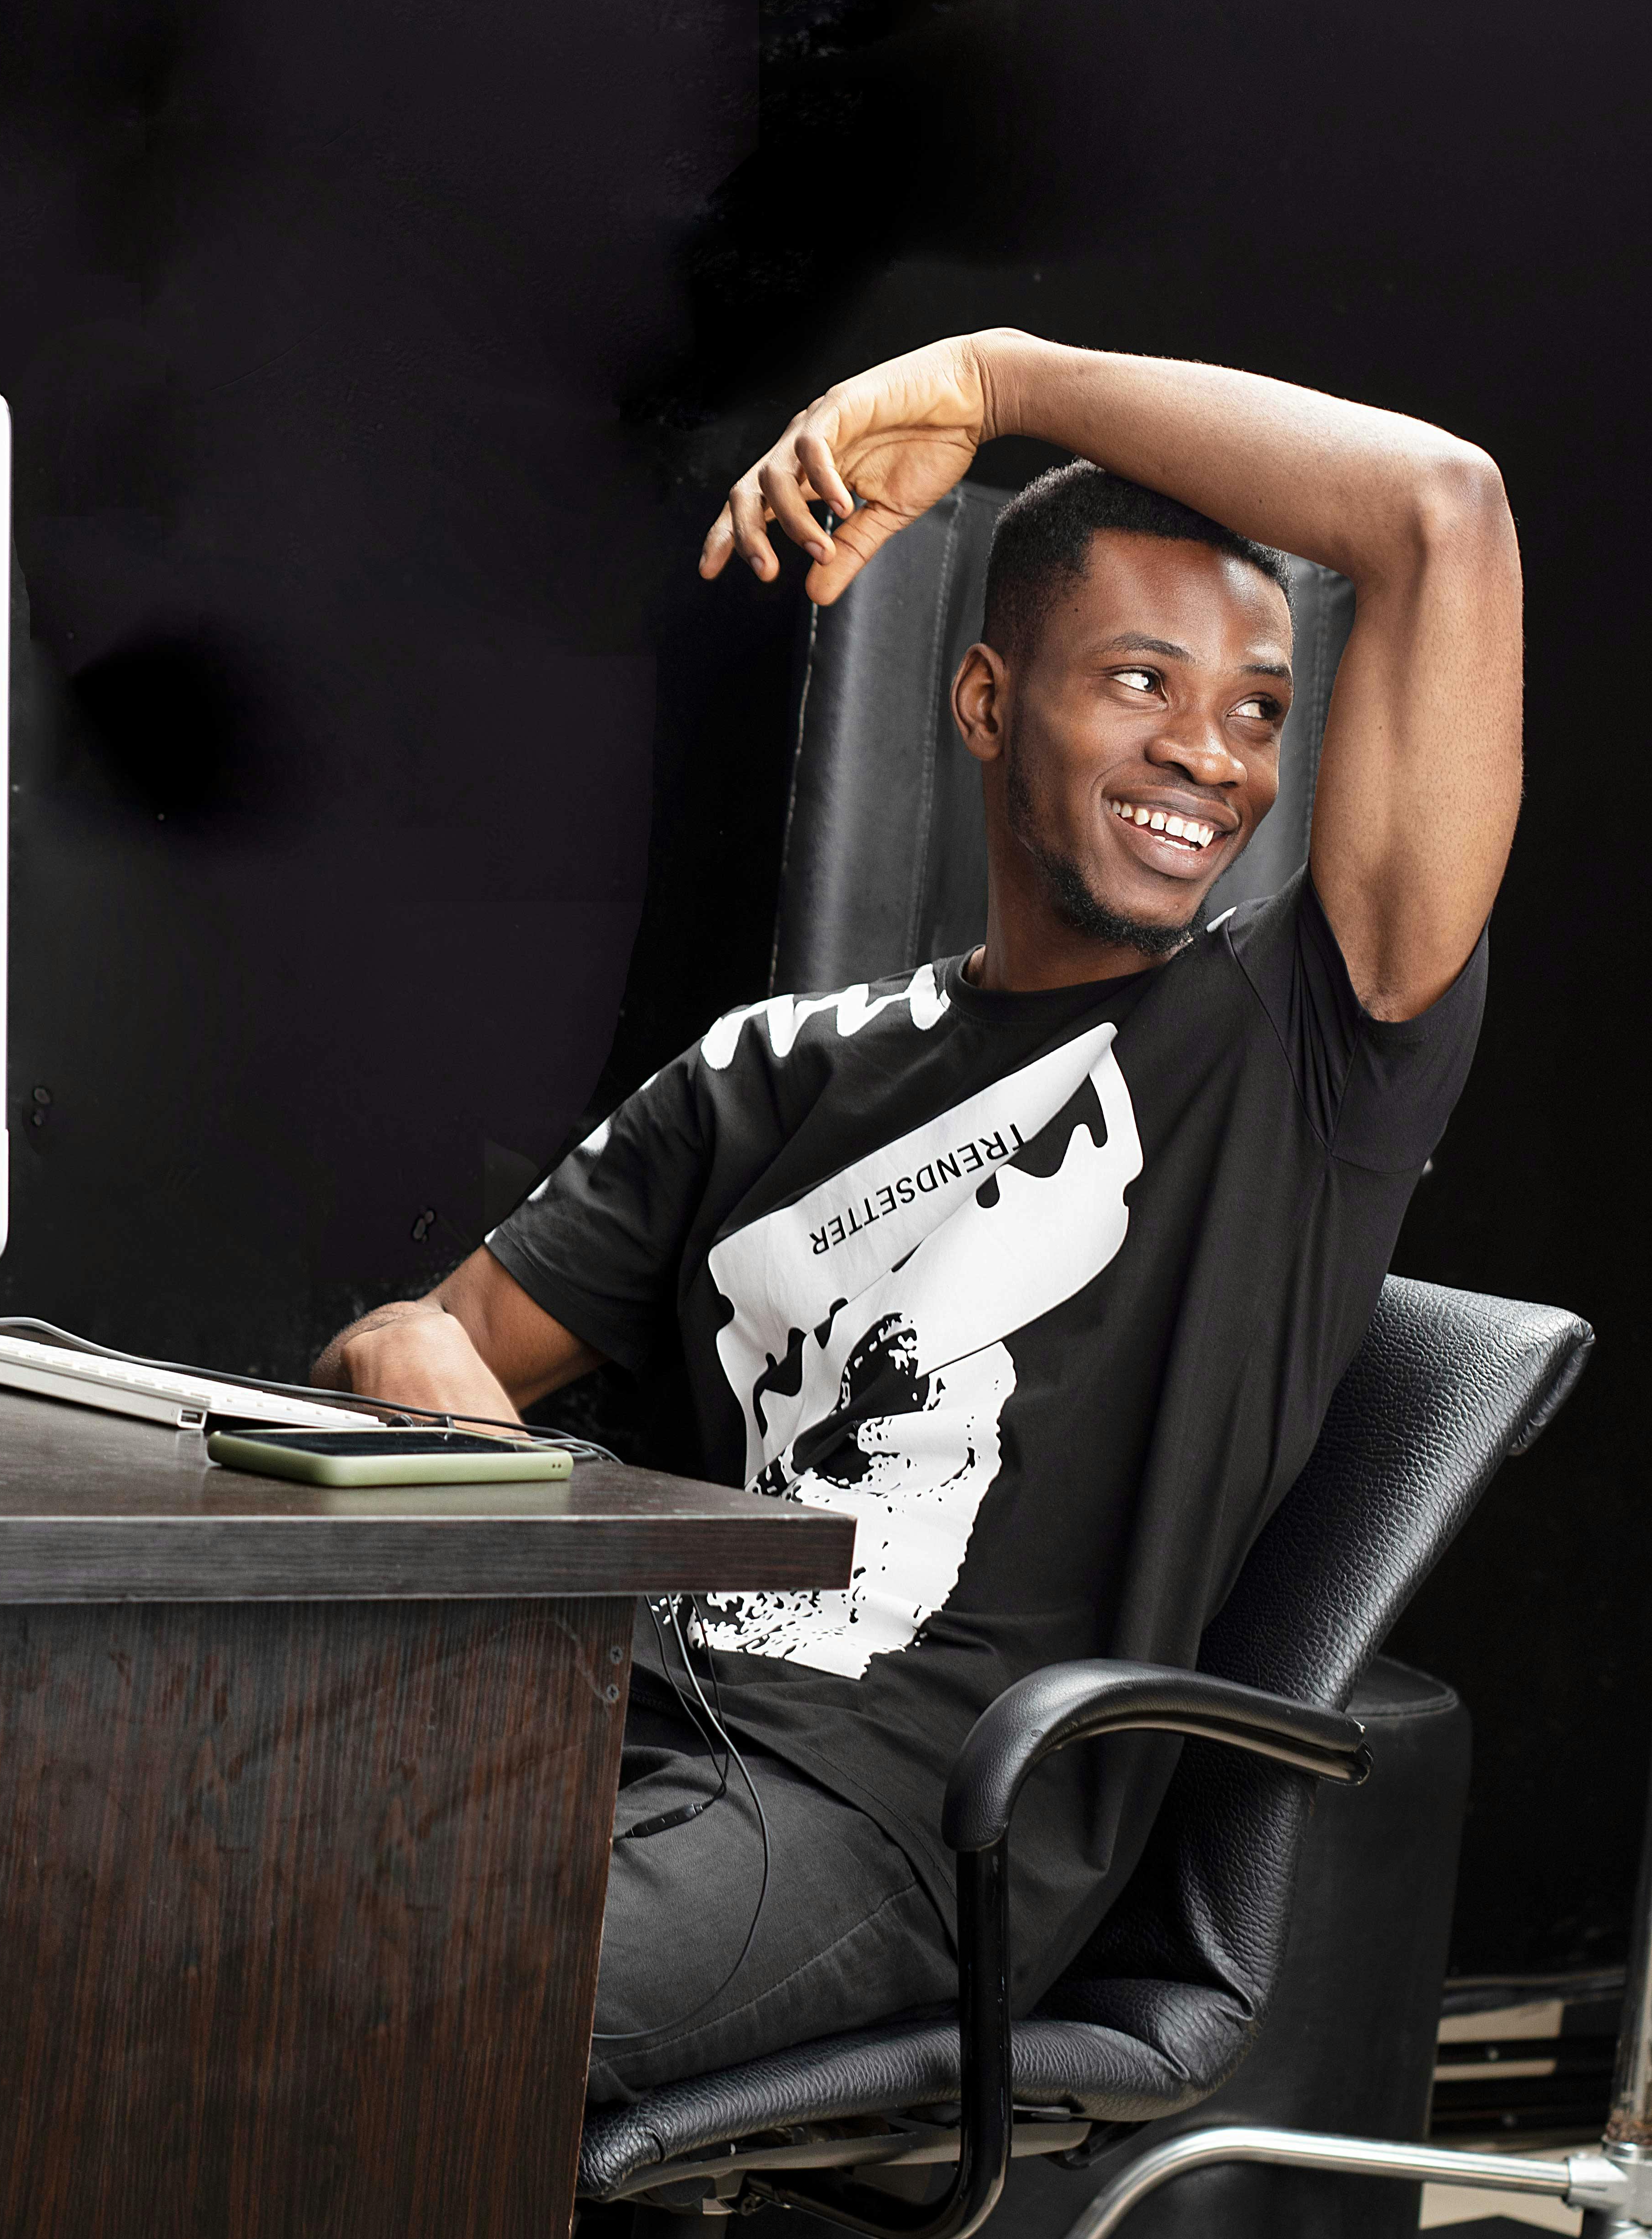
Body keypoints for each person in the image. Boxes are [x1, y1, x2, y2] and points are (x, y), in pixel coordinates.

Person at [312, 330, 1520, 2104]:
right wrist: (426, 1391)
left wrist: (999, 378)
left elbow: (1442, 509)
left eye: (1258, 707)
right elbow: (418, 1346)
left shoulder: (1302, 1053)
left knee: (316, 1977)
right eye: (1137, 680)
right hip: (591, 1727)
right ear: (981, 702)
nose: (1210, 755)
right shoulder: (769, 1078)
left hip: (880, 1832)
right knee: (65, 1860)